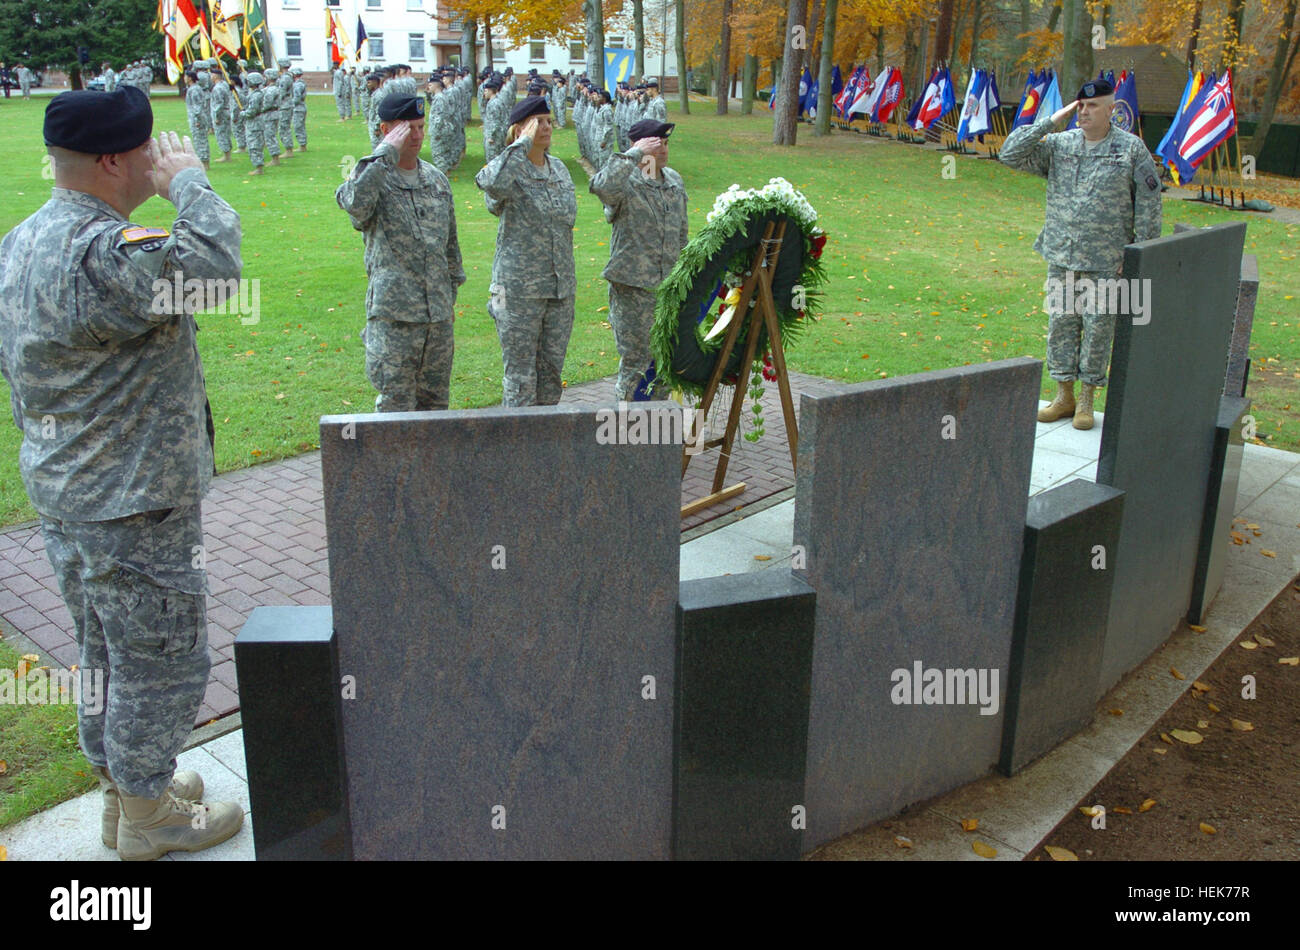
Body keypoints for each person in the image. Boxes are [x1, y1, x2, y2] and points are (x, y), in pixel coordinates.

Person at [0, 86, 245, 860]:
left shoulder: (23, 240)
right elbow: (214, 270)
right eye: (148, 147)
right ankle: (151, 821)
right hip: (134, 503)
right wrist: (192, 184)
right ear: (112, 160)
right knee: (164, 663)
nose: (158, 155)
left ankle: (126, 795)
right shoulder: (110, 254)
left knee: (103, 652)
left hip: (69, 494)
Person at [1000, 78, 1163, 430]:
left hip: (1108, 261)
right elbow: (1009, 153)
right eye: (1080, 106)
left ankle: (1087, 400)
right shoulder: (1060, 144)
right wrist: (1051, 120)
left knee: (1098, 329)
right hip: (1062, 254)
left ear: (1111, 110)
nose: (1085, 112)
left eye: (1092, 106)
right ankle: (1063, 396)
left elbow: (1149, 208)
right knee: (1060, 326)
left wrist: (1138, 256)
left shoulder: (1131, 150)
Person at [336, 94, 465, 412]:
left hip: (436, 321)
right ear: (386, 130)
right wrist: (384, 156)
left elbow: (450, 248)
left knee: (436, 408)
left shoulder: (436, 180)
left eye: (421, 127)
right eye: (408, 129)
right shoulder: (370, 177)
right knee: (395, 411)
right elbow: (355, 205)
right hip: (394, 321)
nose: (418, 136)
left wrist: (448, 300)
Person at [475, 98, 577, 407]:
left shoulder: (558, 168)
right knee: (520, 378)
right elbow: (489, 183)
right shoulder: (508, 169)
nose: (546, 127)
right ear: (519, 129)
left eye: (548, 121)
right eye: (538, 121)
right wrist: (521, 144)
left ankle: (544, 446)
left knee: (550, 375)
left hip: (559, 289)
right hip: (517, 291)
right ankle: (516, 449)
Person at [590, 119, 689, 401]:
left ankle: (654, 436)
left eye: (666, 143)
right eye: (656, 144)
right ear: (640, 146)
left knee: (664, 365)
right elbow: (600, 186)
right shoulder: (625, 182)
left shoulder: (674, 182)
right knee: (636, 366)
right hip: (633, 291)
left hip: (668, 289)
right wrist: (634, 155)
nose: (663, 150)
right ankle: (627, 436)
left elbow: (682, 234)